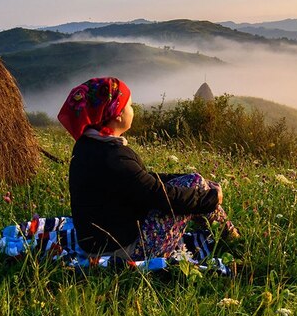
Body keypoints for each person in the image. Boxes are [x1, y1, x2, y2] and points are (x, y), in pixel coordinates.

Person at [58, 77, 240, 261]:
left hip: (97, 244)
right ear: (117, 115)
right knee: (196, 184)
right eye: (129, 105)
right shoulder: (114, 157)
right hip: (123, 249)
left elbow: (141, 181)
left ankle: (221, 232)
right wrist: (210, 198)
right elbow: (158, 196)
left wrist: (186, 180)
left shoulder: (88, 146)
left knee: (194, 181)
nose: (132, 110)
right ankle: (232, 238)